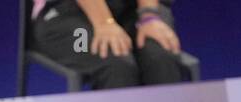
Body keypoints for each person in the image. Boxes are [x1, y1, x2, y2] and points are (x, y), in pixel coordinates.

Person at [30, 0, 185, 90]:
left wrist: (149, 15)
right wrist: (104, 22)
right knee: (115, 62)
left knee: (160, 55)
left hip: (134, 7)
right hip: (66, 14)